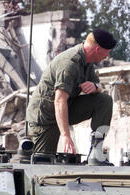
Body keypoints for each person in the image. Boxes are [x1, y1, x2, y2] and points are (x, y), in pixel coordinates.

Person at [26, 29, 116, 165]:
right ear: (98, 49)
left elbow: (100, 87)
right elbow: (59, 100)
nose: (108, 55)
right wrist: (66, 136)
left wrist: (95, 87)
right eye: (107, 51)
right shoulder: (69, 63)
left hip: (66, 109)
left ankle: (96, 153)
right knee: (43, 163)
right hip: (45, 118)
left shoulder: (87, 62)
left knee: (104, 100)